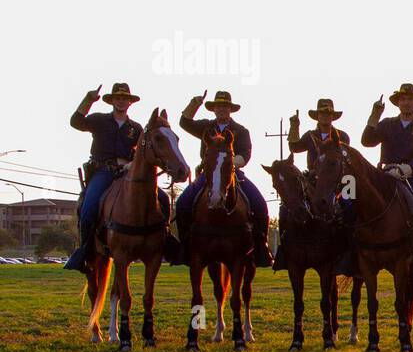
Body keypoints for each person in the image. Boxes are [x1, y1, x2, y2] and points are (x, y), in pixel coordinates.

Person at [65, 82, 179, 272]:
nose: (121, 101)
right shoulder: (99, 120)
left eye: (125, 98)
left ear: (130, 102)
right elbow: (76, 122)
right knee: (88, 209)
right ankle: (85, 252)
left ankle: (165, 240)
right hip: (103, 172)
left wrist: (135, 164)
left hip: (128, 173)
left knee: (163, 198)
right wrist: (87, 101)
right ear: (111, 101)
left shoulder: (136, 128)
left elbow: (144, 153)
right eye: (117, 98)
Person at [175, 90, 272, 267]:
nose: (221, 109)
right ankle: (184, 246)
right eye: (218, 106)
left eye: (225, 106)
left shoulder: (241, 131)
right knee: (182, 203)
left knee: (259, 204)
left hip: (233, 174)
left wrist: (230, 163)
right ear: (214, 109)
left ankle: (261, 247)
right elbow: (184, 122)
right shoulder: (206, 127)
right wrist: (194, 103)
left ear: (230, 109)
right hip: (207, 175)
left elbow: (246, 154)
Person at [359, 83, 413, 284]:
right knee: (356, 202)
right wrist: (374, 116)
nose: (407, 102)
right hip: (386, 174)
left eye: (410, 99)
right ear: (398, 103)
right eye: (403, 99)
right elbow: (366, 141)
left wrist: (408, 169)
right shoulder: (387, 124)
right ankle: (352, 256)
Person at [284, 98, 355, 275]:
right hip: (313, 178)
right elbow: (294, 147)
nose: (325, 116)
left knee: (352, 204)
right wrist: (294, 126)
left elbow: (345, 158)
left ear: (333, 116)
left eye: (328, 113)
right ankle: (285, 250)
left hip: (339, 178)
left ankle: (353, 249)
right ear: (317, 116)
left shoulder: (343, 136)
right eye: (322, 113)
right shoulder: (309, 136)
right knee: (287, 207)